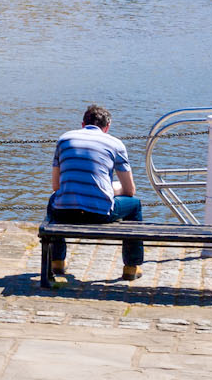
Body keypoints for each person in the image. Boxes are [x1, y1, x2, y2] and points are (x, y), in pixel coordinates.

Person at [45, 103, 145, 281]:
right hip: (98, 214)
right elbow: (130, 190)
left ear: (83, 124)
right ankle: (132, 266)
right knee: (135, 204)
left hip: (65, 213)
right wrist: (111, 188)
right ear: (107, 127)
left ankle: (57, 261)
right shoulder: (115, 144)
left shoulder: (64, 140)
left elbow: (56, 186)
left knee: (54, 200)